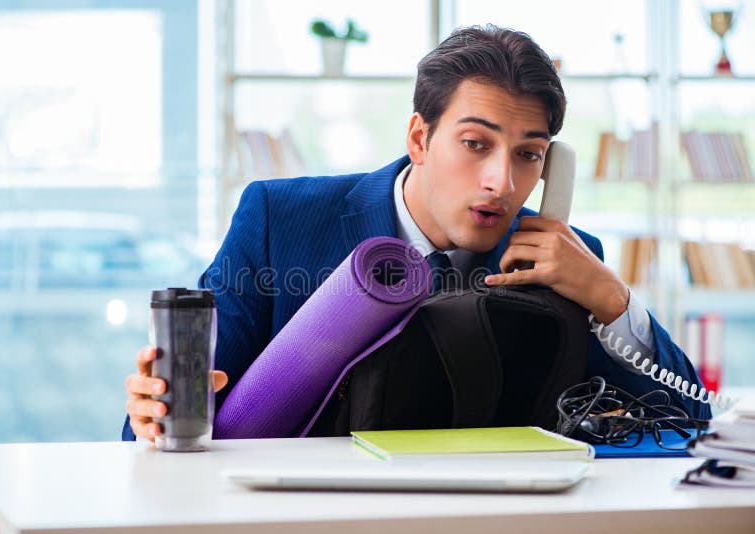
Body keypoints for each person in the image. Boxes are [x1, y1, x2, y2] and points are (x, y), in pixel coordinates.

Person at [123, 24, 710, 442]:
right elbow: (170, 416)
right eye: (476, 144)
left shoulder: (567, 262)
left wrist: (612, 300)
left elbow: (687, 419)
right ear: (420, 139)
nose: (502, 183)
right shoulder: (280, 218)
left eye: (528, 155)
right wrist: (155, 408)